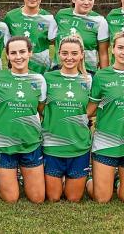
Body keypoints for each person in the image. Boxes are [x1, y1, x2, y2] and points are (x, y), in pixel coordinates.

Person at [86, 31, 124, 204]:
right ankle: (91, 179)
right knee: (101, 198)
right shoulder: (101, 76)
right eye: (120, 47)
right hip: (105, 143)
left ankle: (123, 179)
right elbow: (90, 108)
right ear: (113, 49)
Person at [0, 36, 47, 204]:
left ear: (30, 53)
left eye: (22, 52)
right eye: (13, 53)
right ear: (7, 56)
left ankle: (16, 175)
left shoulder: (39, 80)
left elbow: (41, 111)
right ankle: (0, 175)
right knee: (11, 198)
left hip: (30, 143)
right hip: (3, 145)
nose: (18, 56)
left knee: (37, 198)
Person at [41, 35, 92, 202]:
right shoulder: (47, 78)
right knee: (54, 197)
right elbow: (40, 107)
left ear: (82, 55)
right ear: (58, 54)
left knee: (73, 198)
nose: (69, 57)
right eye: (64, 53)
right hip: (52, 145)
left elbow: (93, 107)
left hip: (79, 145)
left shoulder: (90, 79)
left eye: (74, 53)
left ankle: (90, 177)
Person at [3, 0, 57, 74]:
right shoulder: (10, 17)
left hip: (41, 69)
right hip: (16, 68)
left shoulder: (49, 18)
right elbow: (6, 44)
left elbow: (54, 42)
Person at [53, 0, 109, 73]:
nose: (87, 2)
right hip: (60, 70)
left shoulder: (100, 21)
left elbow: (103, 53)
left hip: (87, 72)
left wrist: (104, 76)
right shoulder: (61, 15)